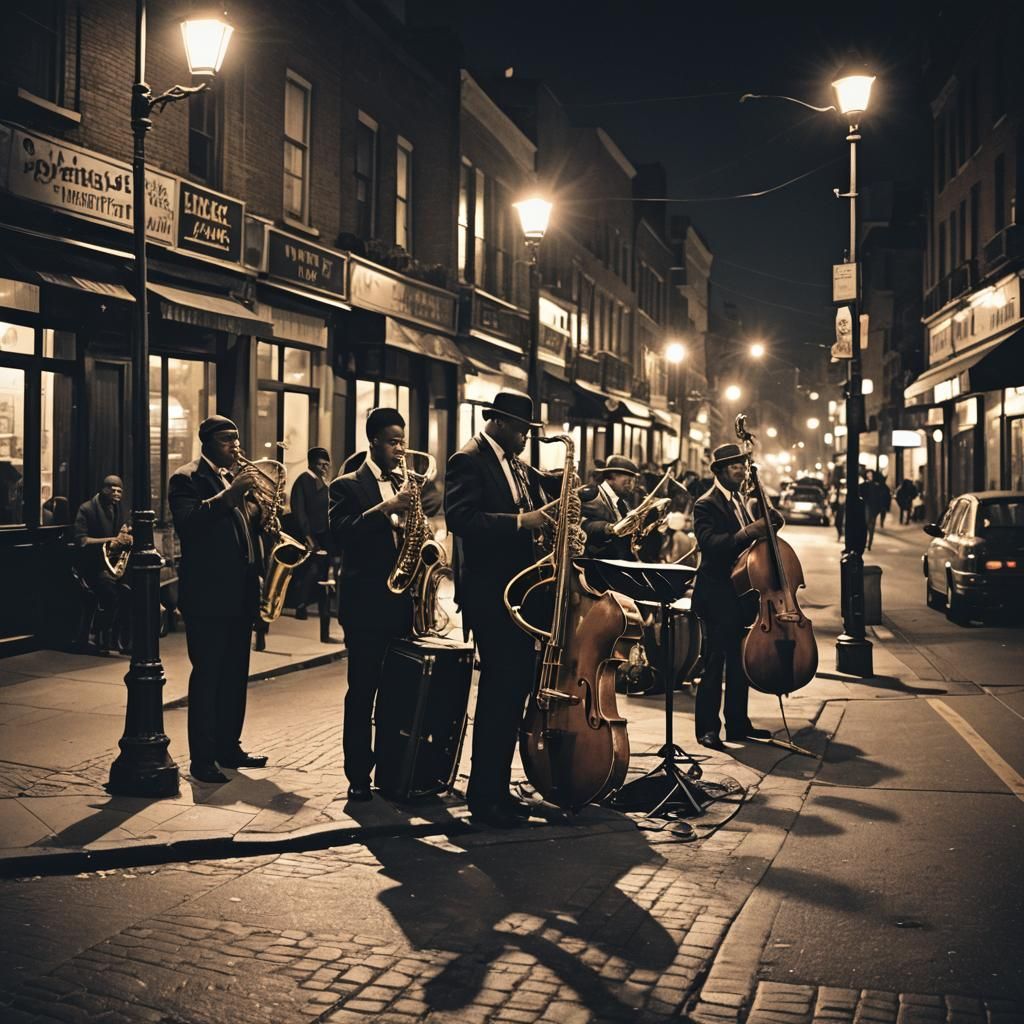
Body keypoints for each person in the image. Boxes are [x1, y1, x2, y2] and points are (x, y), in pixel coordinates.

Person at [445, 391, 560, 828]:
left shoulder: (513, 463)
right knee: (497, 699)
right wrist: (522, 523)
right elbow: (460, 519)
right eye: (521, 432)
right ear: (500, 424)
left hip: (518, 596)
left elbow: (530, 498)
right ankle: (484, 798)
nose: (526, 440)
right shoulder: (469, 459)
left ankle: (499, 790)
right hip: (492, 598)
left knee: (512, 699)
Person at [168, 415, 267, 785]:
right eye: (228, 440)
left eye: (238, 439)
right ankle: (203, 759)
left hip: (240, 594)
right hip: (208, 596)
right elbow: (190, 524)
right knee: (208, 677)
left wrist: (262, 516)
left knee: (235, 676)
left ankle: (229, 746)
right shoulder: (187, 478)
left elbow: (241, 530)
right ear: (206, 442)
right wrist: (231, 494)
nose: (236, 446)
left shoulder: (232, 480)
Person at [328, 408, 414, 802]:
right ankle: (358, 774)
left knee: (397, 694)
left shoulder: (404, 483)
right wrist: (386, 509)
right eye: (393, 442)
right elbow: (341, 535)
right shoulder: (346, 486)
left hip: (400, 605)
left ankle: (392, 772)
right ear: (373, 441)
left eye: (402, 441)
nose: (400, 449)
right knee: (362, 692)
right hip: (364, 606)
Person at [691, 443, 778, 750]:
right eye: (735, 468)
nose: (741, 472)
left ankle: (738, 724)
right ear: (719, 472)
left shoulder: (742, 500)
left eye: (743, 467)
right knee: (714, 663)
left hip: (742, 595)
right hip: (716, 595)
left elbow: (767, 528)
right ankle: (707, 728)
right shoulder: (706, 504)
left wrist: (766, 507)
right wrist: (748, 533)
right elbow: (711, 545)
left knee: (741, 662)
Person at [73, 475, 132, 653]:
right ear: (103, 489)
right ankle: (98, 636)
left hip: (112, 565)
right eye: (112, 489)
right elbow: (81, 541)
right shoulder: (86, 509)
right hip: (92, 566)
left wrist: (128, 536)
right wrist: (112, 541)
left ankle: (118, 640)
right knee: (110, 593)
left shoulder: (120, 509)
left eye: (120, 490)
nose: (116, 493)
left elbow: (123, 530)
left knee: (132, 592)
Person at [289, 447, 334, 620]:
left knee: (320, 573)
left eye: (326, 465)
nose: (324, 468)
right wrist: (308, 537)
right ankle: (301, 605)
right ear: (311, 464)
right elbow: (299, 511)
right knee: (311, 571)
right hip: (309, 536)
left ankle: (319, 609)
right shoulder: (304, 480)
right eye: (320, 464)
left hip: (323, 535)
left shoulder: (322, 482)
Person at [579, 454, 640, 560]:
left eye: (633, 481)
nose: (631, 485)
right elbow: (581, 525)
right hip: (595, 564)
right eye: (627, 481)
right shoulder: (591, 495)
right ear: (611, 477)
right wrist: (607, 528)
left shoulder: (623, 503)